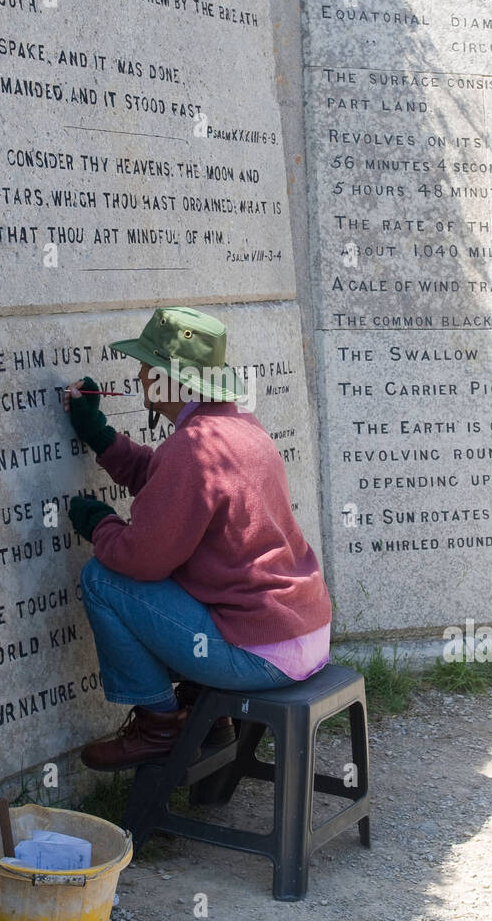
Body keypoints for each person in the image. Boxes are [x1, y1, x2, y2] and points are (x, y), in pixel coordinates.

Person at [63, 305, 332, 771]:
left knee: (102, 579)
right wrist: (102, 437)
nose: (140, 373)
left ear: (170, 379)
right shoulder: (236, 426)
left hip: (259, 653)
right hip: (303, 633)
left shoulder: (191, 448)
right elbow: (169, 483)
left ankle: (159, 724)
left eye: (147, 365)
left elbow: (143, 560)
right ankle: (207, 713)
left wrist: (101, 524)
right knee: (186, 592)